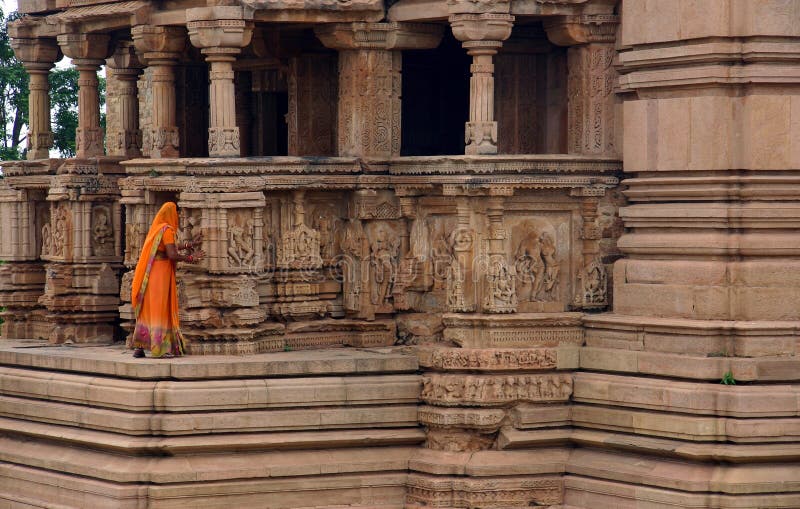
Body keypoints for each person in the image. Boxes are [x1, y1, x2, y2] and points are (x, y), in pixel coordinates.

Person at [130, 202, 204, 358]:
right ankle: (158, 348)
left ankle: (139, 347)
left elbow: (168, 246)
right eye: (176, 212)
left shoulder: (157, 228)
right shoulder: (167, 230)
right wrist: (191, 257)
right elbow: (171, 254)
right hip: (160, 274)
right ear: (170, 214)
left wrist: (188, 244)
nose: (177, 215)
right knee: (160, 309)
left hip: (151, 274)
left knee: (148, 309)